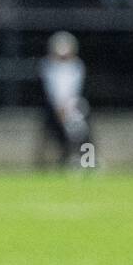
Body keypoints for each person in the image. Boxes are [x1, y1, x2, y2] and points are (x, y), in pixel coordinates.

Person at [38, 31, 92, 168]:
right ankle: (59, 161)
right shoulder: (47, 66)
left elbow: (76, 89)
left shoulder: (77, 66)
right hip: (54, 108)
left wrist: (69, 108)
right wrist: (58, 108)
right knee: (53, 136)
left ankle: (88, 162)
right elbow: (51, 89)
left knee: (83, 134)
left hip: (74, 106)